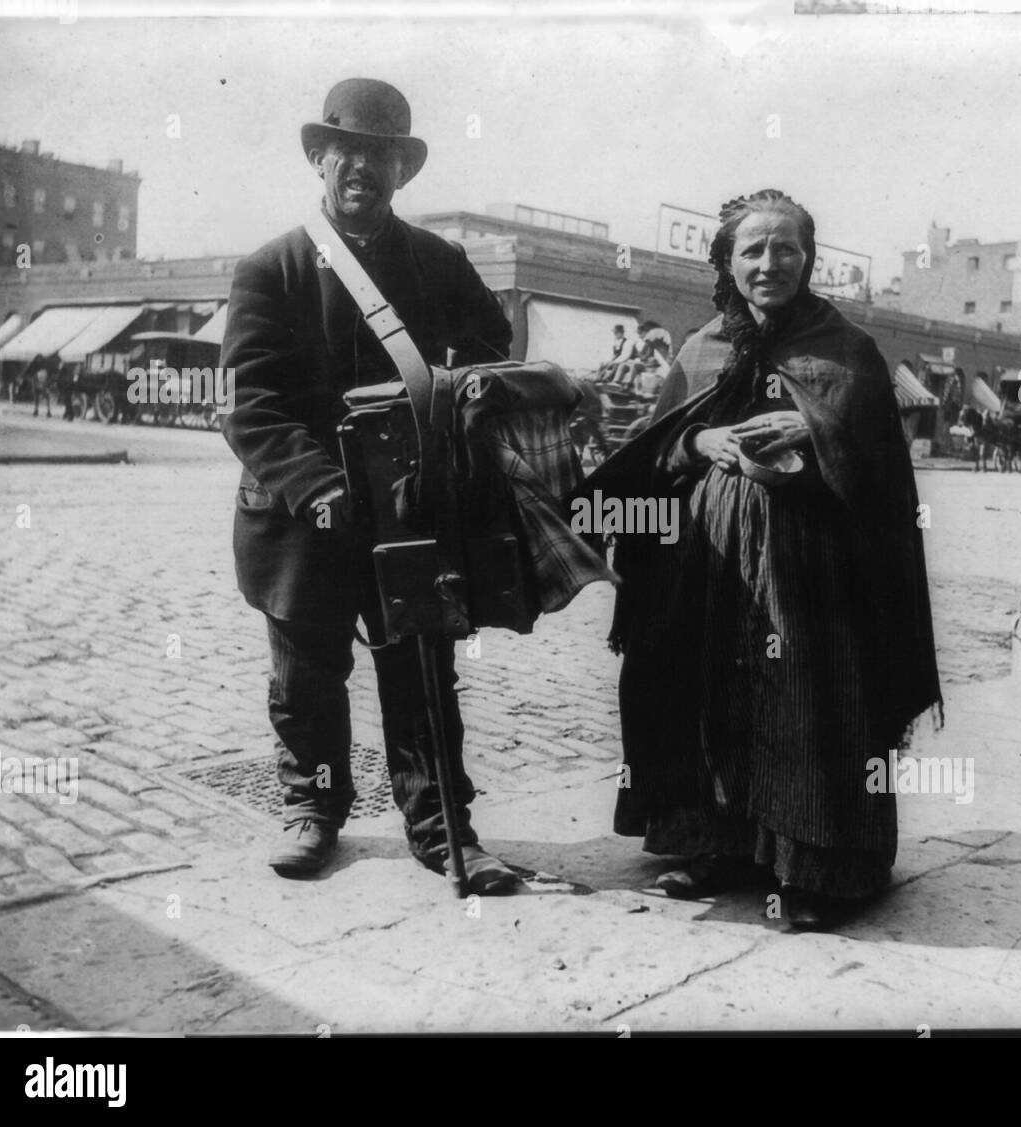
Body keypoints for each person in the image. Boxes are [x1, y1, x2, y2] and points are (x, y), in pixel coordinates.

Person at [581, 190, 941, 930]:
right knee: (708, 687)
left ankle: (821, 867)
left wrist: (813, 436)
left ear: (808, 260)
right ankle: (717, 843)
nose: (769, 262)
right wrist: (701, 443)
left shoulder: (846, 348)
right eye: (752, 250)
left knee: (809, 696)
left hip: (813, 565)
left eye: (786, 249)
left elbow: (879, 470)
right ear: (728, 260)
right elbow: (656, 451)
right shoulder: (700, 346)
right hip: (707, 561)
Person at [221, 78, 521, 891]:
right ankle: (314, 814)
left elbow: (491, 354)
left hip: (409, 508)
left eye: (382, 157)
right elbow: (251, 407)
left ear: (403, 173)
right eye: (347, 151)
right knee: (306, 673)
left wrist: (465, 391)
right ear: (320, 158)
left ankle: (441, 826)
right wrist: (317, 484)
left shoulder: (438, 263)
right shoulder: (272, 268)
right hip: (303, 513)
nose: (363, 167)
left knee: (422, 670)